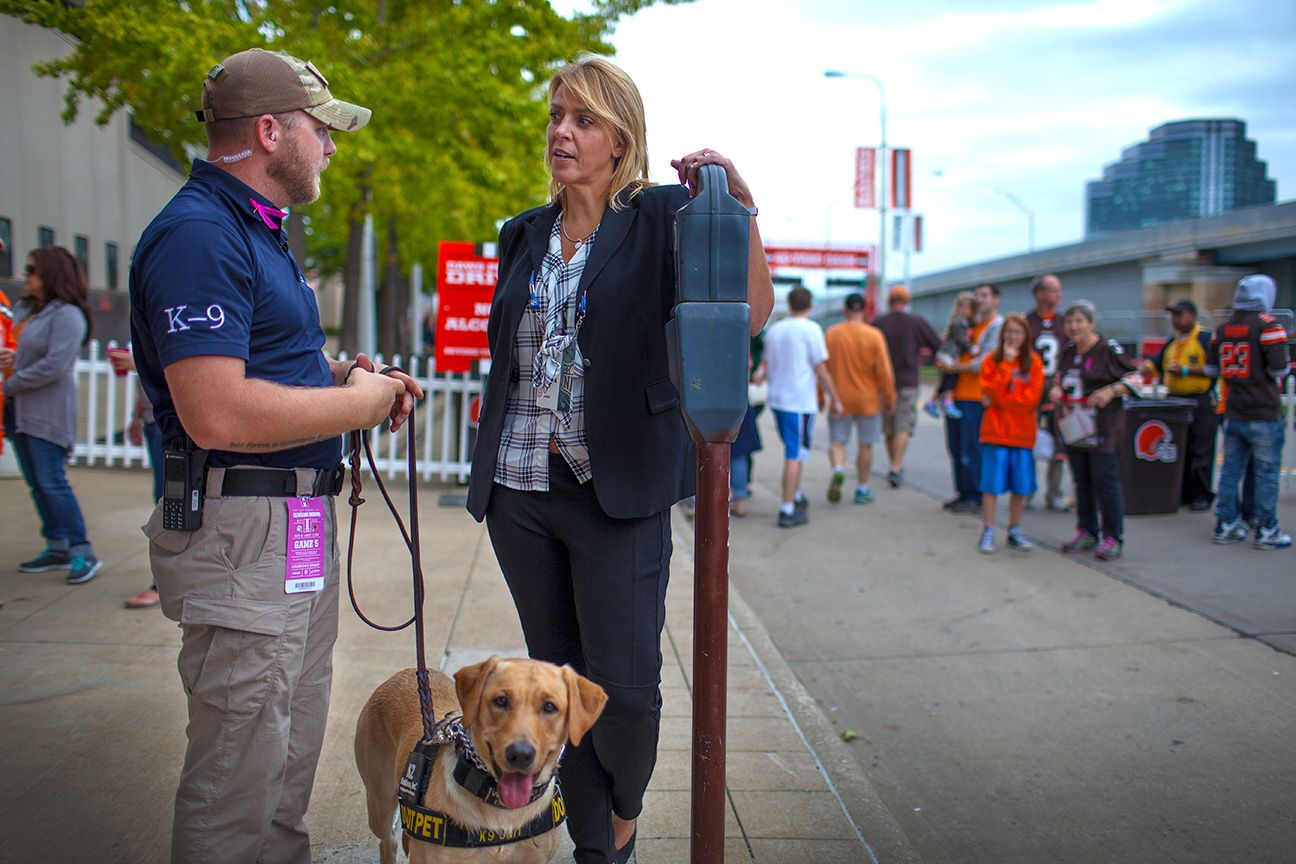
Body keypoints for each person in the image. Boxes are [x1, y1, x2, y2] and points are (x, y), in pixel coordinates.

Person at [465, 55, 773, 864]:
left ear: (620, 140)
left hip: (619, 491)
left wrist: (738, 208)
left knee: (626, 695)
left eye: (584, 120)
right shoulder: (522, 234)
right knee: (559, 690)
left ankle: (622, 815)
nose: (561, 132)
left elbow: (748, 312)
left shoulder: (663, 216)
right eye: (555, 116)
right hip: (521, 490)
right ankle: (599, 851)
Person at [129, 48, 419, 864]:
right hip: (245, 525)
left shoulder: (253, 228)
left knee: (283, 758)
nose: (330, 147)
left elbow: (265, 366)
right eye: (320, 130)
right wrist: (359, 404)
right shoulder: (199, 234)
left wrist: (343, 377)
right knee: (237, 778)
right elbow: (215, 410)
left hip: (290, 521)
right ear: (268, 131)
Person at [1, 247, 102, 584]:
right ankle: (57, 546)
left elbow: (54, 366)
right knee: (36, 483)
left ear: (50, 274)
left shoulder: (67, 315)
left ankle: (82, 550)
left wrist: (10, 383)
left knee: (52, 482)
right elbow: (18, 350)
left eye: (31, 269)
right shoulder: (25, 310)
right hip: (18, 411)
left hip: (46, 413)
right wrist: (10, 358)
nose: (25, 274)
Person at [1207, 274, 1291, 550]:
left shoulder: (1221, 329)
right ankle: (1267, 529)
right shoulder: (1269, 326)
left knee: (1230, 471)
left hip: (1234, 410)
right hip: (1263, 411)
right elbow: (1279, 369)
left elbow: (1211, 369)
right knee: (1266, 473)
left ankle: (1226, 524)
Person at [1052, 301, 1139, 561]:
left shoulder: (1107, 349)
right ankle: (1087, 530)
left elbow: (1136, 377)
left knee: (1106, 481)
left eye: (1079, 321)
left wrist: (1111, 390)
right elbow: (1060, 378)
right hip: (1075, 427)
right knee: (1082, 481)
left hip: (1103, 428)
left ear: (1091, 323)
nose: (1073, 327)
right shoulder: (1068, 351)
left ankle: (1112, 536)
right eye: (1069, 321)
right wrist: (1056, 390)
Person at [756, 286, 841, 528]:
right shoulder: (812, 329)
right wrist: (835, 398)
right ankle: (787, 508)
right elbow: (821, 370)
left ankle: (796, 494)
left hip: (778, 401)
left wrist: (759, 376)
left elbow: (764, 365)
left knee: (796, 450)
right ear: (810, 305)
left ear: (790, 304)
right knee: (794, 454)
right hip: (799, 402)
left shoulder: (775, 330)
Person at [977, 313, 1044, 553]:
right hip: (995, 432)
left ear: (1025, 335)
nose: (1012, 337)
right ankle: (988, 529)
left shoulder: (1033, 363)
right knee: (991, 485)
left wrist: (1002, 400)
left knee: (1021, 486)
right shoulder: (991, 361)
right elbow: (990, 391)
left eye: (1017, 332)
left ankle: (1014, 529)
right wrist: (1005, 365)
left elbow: (1031, 400)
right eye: (1009, 331)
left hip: (1021, 434)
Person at [106, 347, 167, 609]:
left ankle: (163, 583)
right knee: (162, 502)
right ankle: (164, 579)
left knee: (169, 504)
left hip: (170, 423)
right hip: (154, 421)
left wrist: (138, 362)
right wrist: (138, 415)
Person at [823, 292, 895, 504]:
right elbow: (884, 371)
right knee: (866, 444)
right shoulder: (874, 335)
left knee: (837, 442)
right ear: (864, 310)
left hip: (839, 399)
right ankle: (862, 488)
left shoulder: (832, 334)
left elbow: (823, 369)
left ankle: (838, 468)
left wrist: (820, 397)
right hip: (868, 400)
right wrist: (889, 398)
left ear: (845, 310)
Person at [1145, 299, 1217, 511]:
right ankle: (1183, 492)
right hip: (1175, 400)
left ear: (1192, 316)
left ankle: (1201, 493)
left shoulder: (1204, 339)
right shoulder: (1172, 341)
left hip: (1199, 400)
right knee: (1180, 448)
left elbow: (1214, 368)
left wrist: (1185, 371)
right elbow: (1154, 364)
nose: (1175, 320)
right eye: (1173, 315)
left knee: (1201, 449)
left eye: (1180, 315)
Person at [938, 283, 1003, 512]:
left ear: (996, 299)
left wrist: (954, 367)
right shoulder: (970, 325)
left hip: (975, 397)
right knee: (956, 448)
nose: (979, 299)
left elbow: (985, 362)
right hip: (957, 394)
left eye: (985, 295)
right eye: (977, 295)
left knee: (971, 449)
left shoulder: (996, 326)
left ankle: (975, 495)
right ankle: (963, 492)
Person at [873, 284, 942, 488]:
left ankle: (894, 465)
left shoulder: (878, 323)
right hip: (908, 381)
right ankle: (895, 467)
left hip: (883, 383)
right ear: (907, 302)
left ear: (889, 301)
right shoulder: (916, 322)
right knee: (903, 425)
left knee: (889, 427)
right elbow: (937, 345)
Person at [1025, 273, 1070, 512]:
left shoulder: (1065, 323)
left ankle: (1054, 493)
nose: (1058, 295)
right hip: (1030, 392)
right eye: (1053, 290)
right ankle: (1026, 490)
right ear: (1039, 294)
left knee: (1058, 443)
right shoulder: (1026, 323)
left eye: (1059, 290)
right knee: (1027, 441)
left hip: (1056, 391)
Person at [923, 291, 974, 419]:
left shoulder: (960, 322)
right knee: (951, 376)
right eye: (962, 307)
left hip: (948, 353)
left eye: (968, 308)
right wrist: (972, 348)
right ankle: (947, 402)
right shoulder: (959, 322)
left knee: (946, 378)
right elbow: (961, 340)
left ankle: (933, 401)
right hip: (949, 354)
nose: (965, 310)